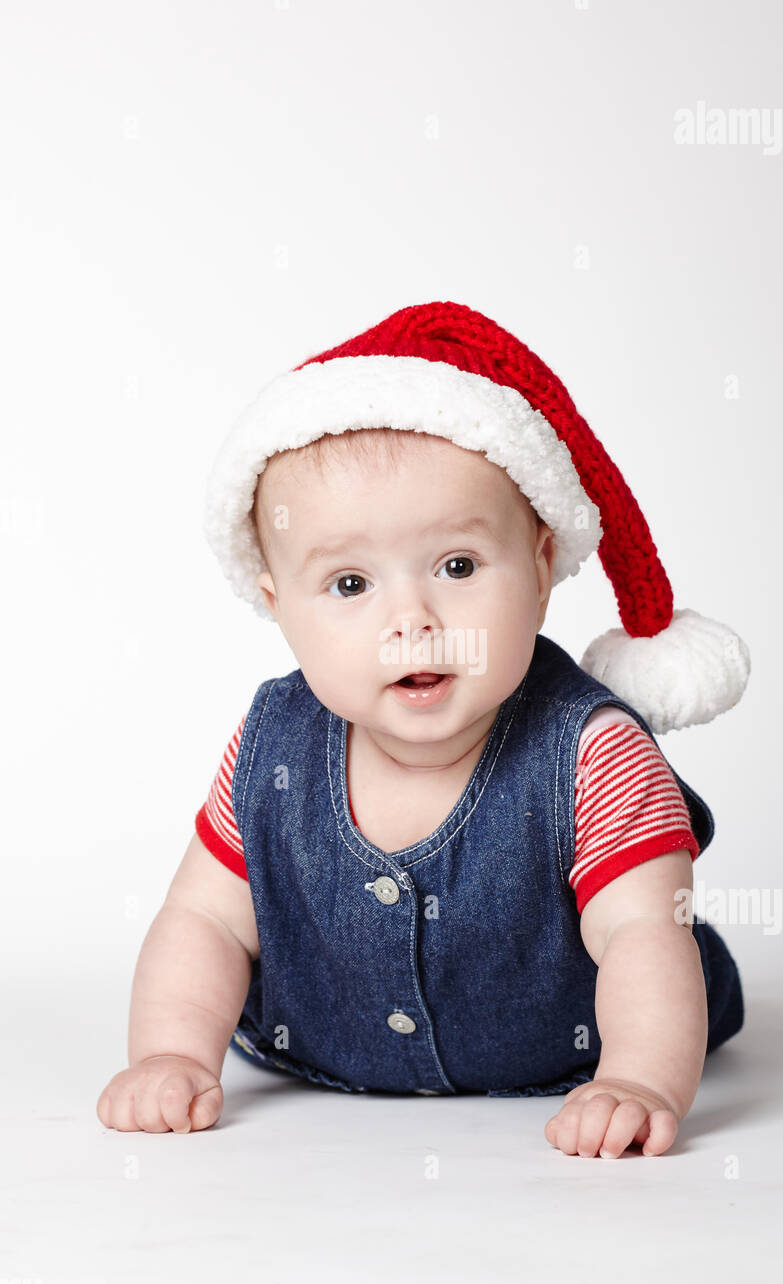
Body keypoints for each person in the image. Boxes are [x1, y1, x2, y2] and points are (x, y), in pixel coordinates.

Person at [96, 301, 750, 1158]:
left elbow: (641, 930)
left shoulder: (588, 749)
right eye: (350, 585)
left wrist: (637, 1076)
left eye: (457, 566)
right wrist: (172, 1054)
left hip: (566, 1052)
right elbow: (206, 921)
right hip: (316, 1055)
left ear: (543, 565)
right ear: (276, 605)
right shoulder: (272, 746)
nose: (411, 619)